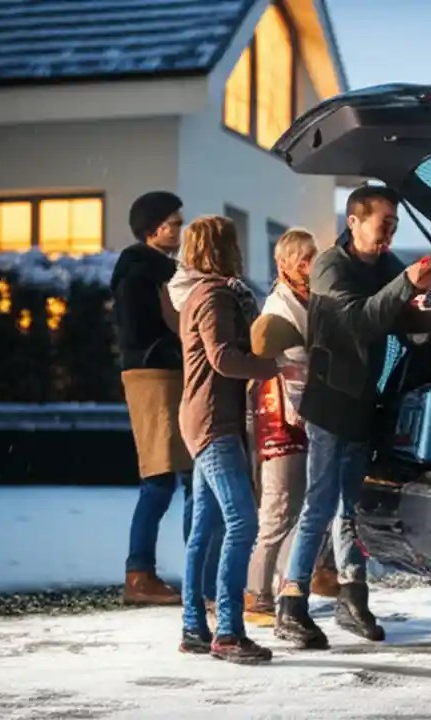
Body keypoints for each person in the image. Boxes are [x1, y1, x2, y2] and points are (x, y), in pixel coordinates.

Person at [274, 186, 431, 649]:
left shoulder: (386, 266)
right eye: (383, 224)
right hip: (331, 405)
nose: (389, 234)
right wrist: (404, 289)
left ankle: (353, 597)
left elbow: (399, 316)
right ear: (354, 221)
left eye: (395, 226)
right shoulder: (330, 267)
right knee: (319, 504)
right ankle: (290, 604)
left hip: (363, 406)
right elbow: (359, 322)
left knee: (351, 506)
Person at [172, 215, 280, 664]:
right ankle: (229, 633)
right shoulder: (215, 295)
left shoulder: (197, 293)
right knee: (243, 523)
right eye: (233, 243)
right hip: (215, 421)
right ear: (221, 249)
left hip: (202, 418)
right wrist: (273, 367)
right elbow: (222, 358)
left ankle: (194, 627)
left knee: (205, 527)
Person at [243, 228, 340, 627]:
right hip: (280, 416)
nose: (310, 265)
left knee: (308, 506)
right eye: (303, 259)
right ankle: (257, 595)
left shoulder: (311, 299)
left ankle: (304, 578)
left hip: (308, 414)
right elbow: (283, 352)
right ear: (284, 265)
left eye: (313, 257)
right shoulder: (278, 307)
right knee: (279, 511)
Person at [111, 190, 193, 605]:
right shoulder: (142, 274)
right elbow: (142, 332)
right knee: (161, 480)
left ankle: (152, 573)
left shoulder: (154, 270)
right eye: (174, 223)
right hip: (155, 378)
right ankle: (141, 575)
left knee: (172, 478)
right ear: (154, 229)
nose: (180, 228)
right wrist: (177, 348)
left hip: (161, 375)